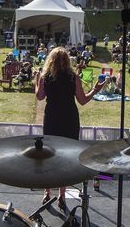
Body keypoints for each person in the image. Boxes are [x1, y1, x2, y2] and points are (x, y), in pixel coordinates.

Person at [34, 47, 103, 208]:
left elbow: (40, 96)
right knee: (65, 156)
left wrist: (36, 81)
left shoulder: (46, 77)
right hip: (70, 118)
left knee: (49, 153)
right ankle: (62, 195)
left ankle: (47, 192)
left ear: (50, 60)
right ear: (67, 61)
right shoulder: (73, 77)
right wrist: (95, 89)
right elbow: (83, 100)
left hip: (52, 117)